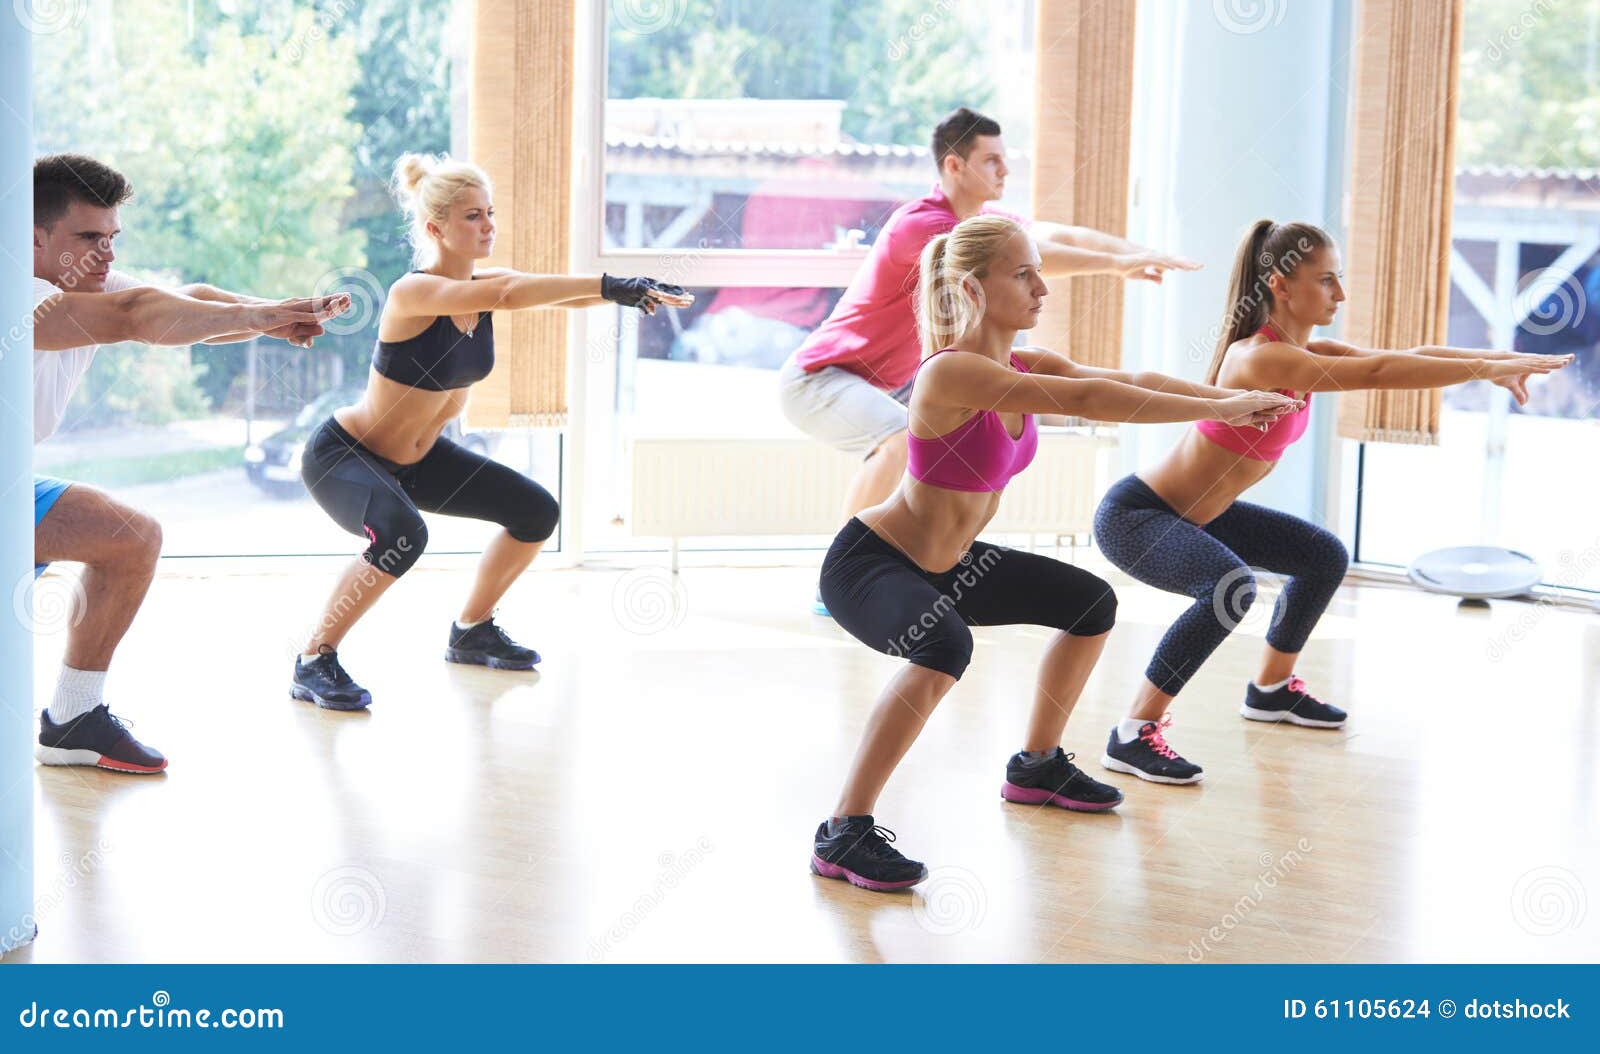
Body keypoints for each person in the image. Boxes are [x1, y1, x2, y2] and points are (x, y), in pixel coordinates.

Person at [809, 215, 1298, 891]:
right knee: (943, 646)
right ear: (974, 290)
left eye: (1040, 269)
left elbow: (1127, 376)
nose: (1042, 286)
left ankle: (1037, 765)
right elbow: (1091, 399)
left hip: (951, 563)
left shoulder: (1020, 364)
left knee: (1088, 603)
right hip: (872, 563)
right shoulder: (953, 373)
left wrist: (1227, 399)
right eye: (1023, 273)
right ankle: (844, 830)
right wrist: (1220, 408)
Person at [1092, 219, 1573, 785]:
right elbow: (1377, 372)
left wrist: (1498, 358)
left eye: (1338, 279)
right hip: (1139, 516)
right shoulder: (1259, 359)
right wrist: (1486, 369)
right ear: (1280, 284)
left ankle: (1271, 690)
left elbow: (1404, 353)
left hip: (1201, 514)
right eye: (1327, 280)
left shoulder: (1301, 350)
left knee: (1321, 556)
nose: (1339, 295)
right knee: (1229, 587)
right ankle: (1132, 733)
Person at [292, 153, 692, 710]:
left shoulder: (485, 287)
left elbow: (544, 293)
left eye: (490, 213)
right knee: (402, 536)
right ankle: (314, 657)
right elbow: (511, 293)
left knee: (535, 512)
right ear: (436, 229)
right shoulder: (414, 292)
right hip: (347, 456)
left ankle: (472, 630)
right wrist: (610, 281)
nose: (488, 226)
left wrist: (624, 291)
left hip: (421, 458)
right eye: (472, 217)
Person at [779, 107, 1200, 613]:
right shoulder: (929, 228)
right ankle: (846, 582)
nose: (1005, 171)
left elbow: (1059, 234)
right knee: (895, 439)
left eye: (1005, 160)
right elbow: (1042, 251)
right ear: (954, 166)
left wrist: (1138, 253)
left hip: (885, 383)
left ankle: (896, 570)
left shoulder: (982, 226)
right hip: (822, 377)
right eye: (992, 160)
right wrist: (1113, 265)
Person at [31, 153, 347, 773]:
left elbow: (183, 304)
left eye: (113, 238)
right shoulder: (24, 293)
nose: (108, 255)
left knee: (131, 538)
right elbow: (135, 317)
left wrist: (274, 315)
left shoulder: (88, 288)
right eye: (89, 239)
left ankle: (72, 720)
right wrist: (260, 317)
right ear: (33, 238)